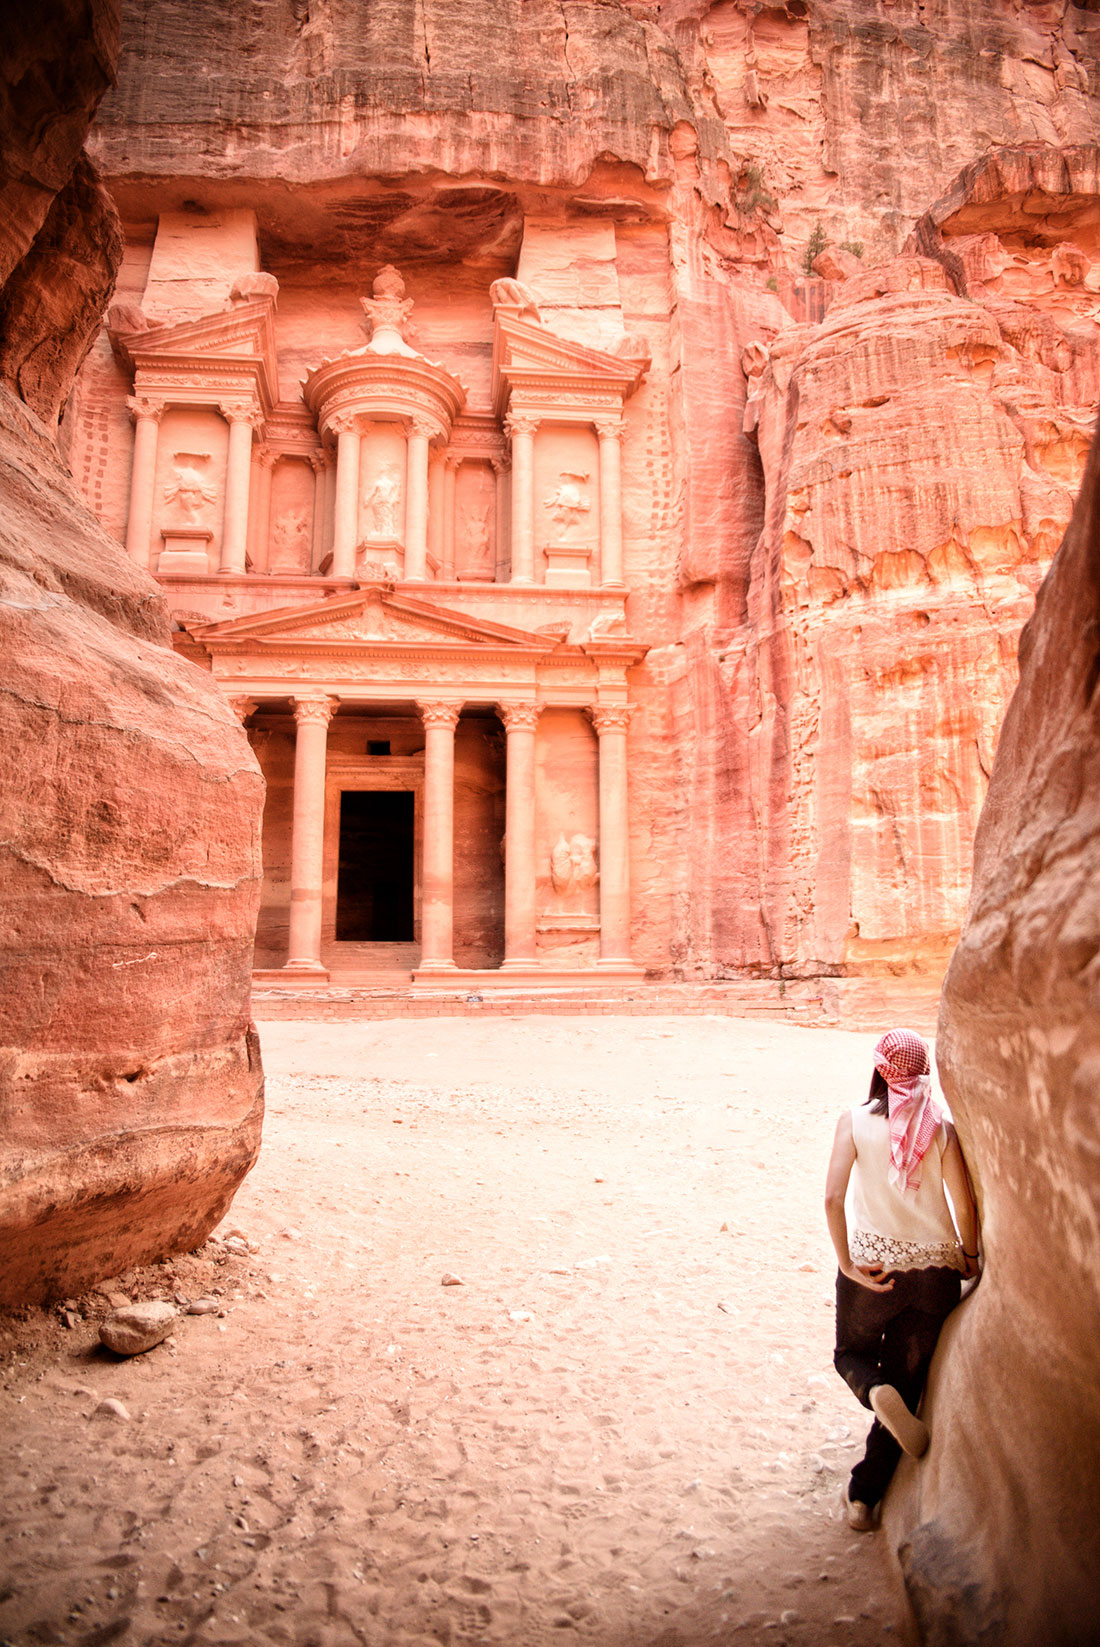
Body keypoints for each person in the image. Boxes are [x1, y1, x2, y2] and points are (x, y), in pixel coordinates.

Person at [824, 1028, 979, 1531]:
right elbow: (962, 1202)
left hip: (874, 1268)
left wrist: (847, 1264)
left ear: (880, 1070)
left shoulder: (854, 1120)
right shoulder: (941, 1128)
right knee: (906, 1385)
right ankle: (864, 1498)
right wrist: (970, 1256)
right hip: (934, 1277)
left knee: (850, 1355)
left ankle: (871, 1393)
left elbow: (831, 1199)